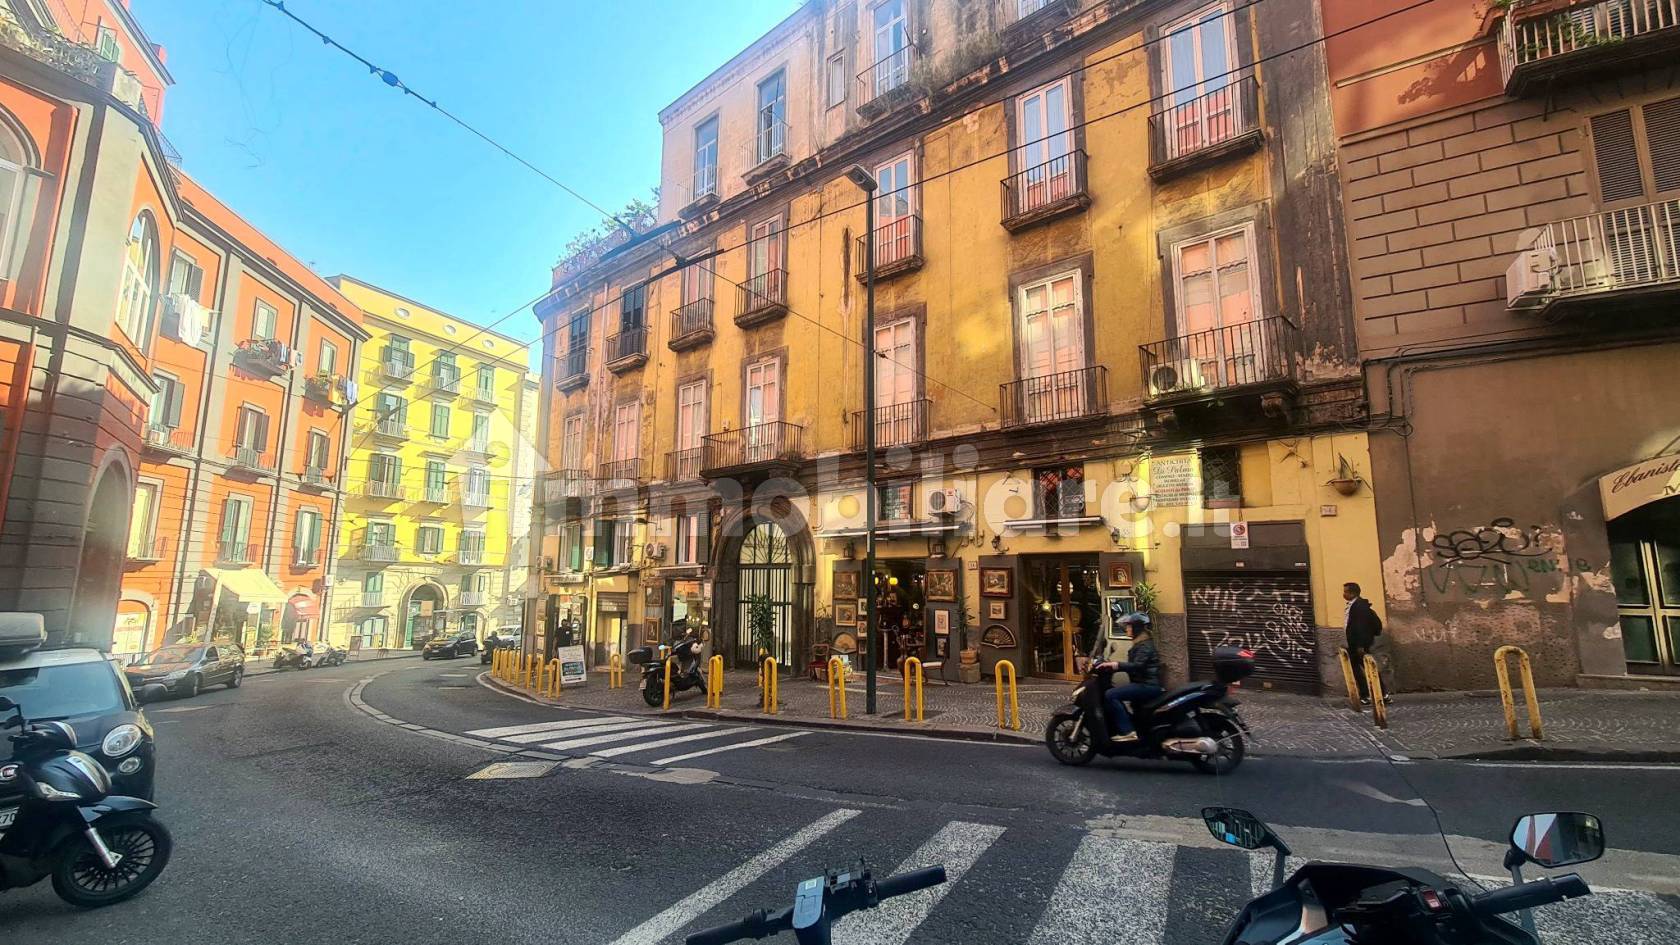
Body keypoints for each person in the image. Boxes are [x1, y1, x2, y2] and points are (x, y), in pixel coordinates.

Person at [1096, 613, 1162, 744]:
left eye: (1129, 626)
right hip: (1144, 683)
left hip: (1147, 685)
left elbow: (1138, 666)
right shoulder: (1141, 643)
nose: (1127, 629)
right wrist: (1112, 665)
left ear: (1136, 628)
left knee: (1111, 694)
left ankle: (1127, 731)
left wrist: (1116, 665)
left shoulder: (1145, 646)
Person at [1343, 581, 1384, 705]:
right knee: (1366, 668)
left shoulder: (1358, 607)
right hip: (1356, 644)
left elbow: (1360, 627)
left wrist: (1360, 645)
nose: (1343, 594)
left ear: (1352, 593)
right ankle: (1380, 693)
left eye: (1345, 591)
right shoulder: (1356, 605)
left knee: (1367, 668)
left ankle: (1368, 694)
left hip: (1359, 645)